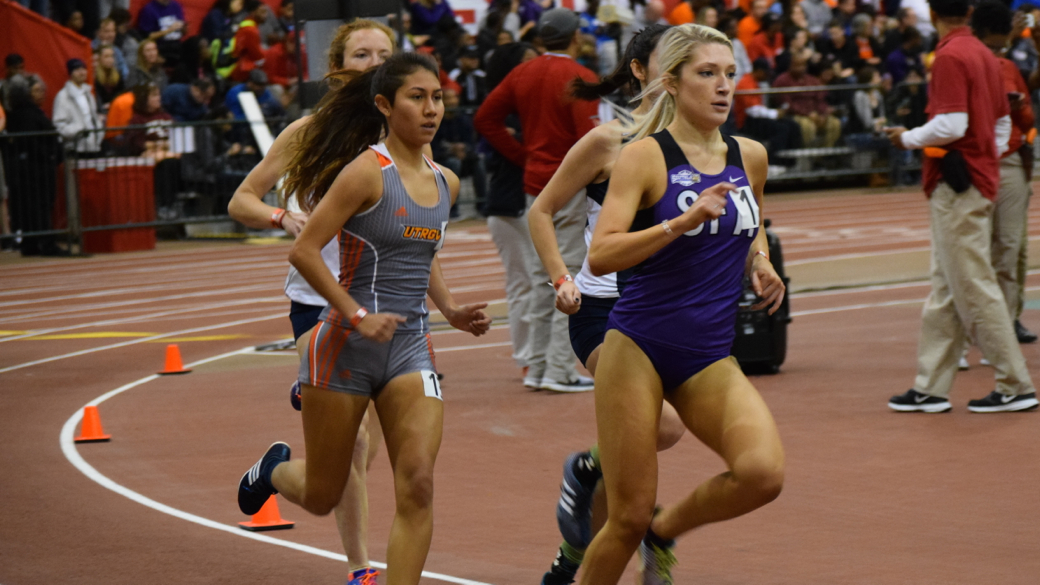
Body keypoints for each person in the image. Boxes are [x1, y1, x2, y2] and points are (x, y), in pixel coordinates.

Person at [236, 52, 491, 585]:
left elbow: (422, 257)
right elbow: (304, 251)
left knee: (418, 482)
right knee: (324, 494)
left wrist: (451, 310)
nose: (430, 110)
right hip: (343, 346)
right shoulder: (364, 173)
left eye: (437, 97)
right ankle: (274, 471)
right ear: (384, 104)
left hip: (410, 347)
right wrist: (355, 314)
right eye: (416, 98)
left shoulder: (447, 181)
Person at [575, 23, 786, 585]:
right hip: (638, 346)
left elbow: (752, 225)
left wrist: (760, 261)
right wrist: (681, 221)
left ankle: (667, 530)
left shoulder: (751, 155)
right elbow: (601, 256)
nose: (723, 86)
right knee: (625, 519)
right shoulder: (644, 157)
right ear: (671, 82)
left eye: (730, 74)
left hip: (707, 355)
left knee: (763, 473)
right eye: (706, 73)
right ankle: (644, 529)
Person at [226, 20, 400, 585]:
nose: (372, 61)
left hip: (380, 307)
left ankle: (277, 473)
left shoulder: (404, 137)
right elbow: (242, 199)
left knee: (346, 464)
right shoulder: (307, 132)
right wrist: (283, 216)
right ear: (337, 66)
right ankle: (361, 571)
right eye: (361, 53)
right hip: (317, 305)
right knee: (356, 448)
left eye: (384, 54)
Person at [526, 24, 690, 585]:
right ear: (641, 72)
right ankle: (587, 468)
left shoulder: (704, 146)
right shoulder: (607, 140)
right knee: (659, 428)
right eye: (672, 63)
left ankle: (571, 562)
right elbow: (541, 211)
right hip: (605, 313)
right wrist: (560, 280)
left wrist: (758, 260)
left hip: (670, 315)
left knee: (633, 459)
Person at [884, 0, 1038, 413]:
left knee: (972, 284)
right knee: (947, 286)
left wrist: (906, 137)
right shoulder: (985, 56)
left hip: (958, 184)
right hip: (978, 177)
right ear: (967, 10)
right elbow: (1003, 121)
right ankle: (931, 386)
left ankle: (1015, 383)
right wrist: (989, 157)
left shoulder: (950, 54)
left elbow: (952, 125)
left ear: (931, 12)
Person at [474, 8, 601, 392]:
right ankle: (560, 369)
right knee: (570, 273)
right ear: (575, 37)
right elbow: (588, 139)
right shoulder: (581, 77)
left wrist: (522, 153)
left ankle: (538, 364)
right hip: (570, 185)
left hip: (535, 185)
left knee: (538, 275)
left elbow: (485, 119)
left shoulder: (522, 73)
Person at [971, 0, 1038, 344]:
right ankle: (985, 327)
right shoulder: (975, 63)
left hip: (1009, 159)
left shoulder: (1007, 65)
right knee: (984, 248)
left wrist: (1019, 108)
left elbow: (1027, 117)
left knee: (1011, 247)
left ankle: (1007, 320)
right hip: (985, 161)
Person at [478, 41, 539, 377]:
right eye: (527, 62)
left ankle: (537, 356)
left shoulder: (527, 107)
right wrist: (524, 155)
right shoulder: (503, 112)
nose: (535, 67)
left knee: (535, 282)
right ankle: (529, 358)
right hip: (510, 207)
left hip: (523, 205)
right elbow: (486, 130)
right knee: (526, 283)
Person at [2, 77, 63, 256]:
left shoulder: (28, 113)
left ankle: (32, 244)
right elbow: (31, 142)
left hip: (34, 167)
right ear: (25, 94)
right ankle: (44, 243)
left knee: (34, 207)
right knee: (37, 207)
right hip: (34, 169)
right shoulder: (26, 115)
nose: (41, 94)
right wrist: (50, 156)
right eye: (36, 90)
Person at [733, 58, 802, 172]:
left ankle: (790, 163)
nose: (768, 75)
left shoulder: (755, 82)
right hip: (746, 122)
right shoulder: (746, 82)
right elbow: (752, 110)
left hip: (757, 118)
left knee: (792, 125)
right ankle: (773, 163)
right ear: (759, 71)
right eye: (766, 72)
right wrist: (775, 113)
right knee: (781, 129)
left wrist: (776, 113)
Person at [772, 53, 842, 148]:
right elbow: (786, 104)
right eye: (797, 65)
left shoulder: (812, 80)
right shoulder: (782, 81)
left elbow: (820, 99)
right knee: (807, 126)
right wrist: (807, 114)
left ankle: (824, 156)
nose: (801, 68)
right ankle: (808, 156)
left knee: (835, 123)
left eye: (803, 65)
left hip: (816, 114)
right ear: (791, 65)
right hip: (795, 115)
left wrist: (822, 114)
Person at [53, 58, 103, 155]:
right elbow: (60, 126)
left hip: (93, 147)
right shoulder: (63, 96)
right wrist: (81, 129)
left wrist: (99, 134)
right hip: (75, 149)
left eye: (83, 69)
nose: (82, 73)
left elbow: (94, 118)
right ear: (70, 73)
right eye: (77, 70)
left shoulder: (88, 94)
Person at [229, 0, 270, 82]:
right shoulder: (250, 30)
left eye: (266, 12)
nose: (266, 15)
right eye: (262, 12)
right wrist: (270, 54)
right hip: (242, 70)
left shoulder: (247, 24)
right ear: (253, 12)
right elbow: (256, 55)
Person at [94, 45, 126, 117]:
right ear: (99, 58)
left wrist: (113, 104)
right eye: (106, 56)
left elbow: (122, 95)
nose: (110, 59)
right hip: (101, 113)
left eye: (112, 56)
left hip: (117, 110)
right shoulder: (94, 78)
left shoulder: (118, 75)